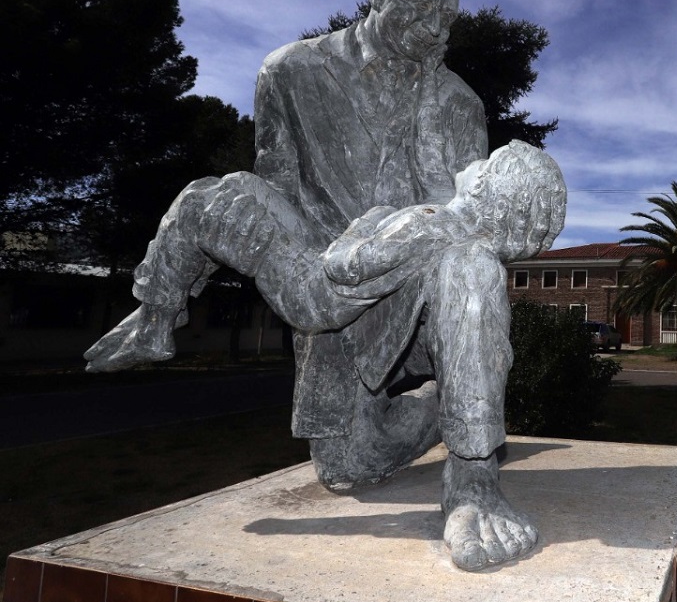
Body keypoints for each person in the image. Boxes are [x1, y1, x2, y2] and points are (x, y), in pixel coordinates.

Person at [86, 0, 554, 571]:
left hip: (429, 283)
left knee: (468, 261)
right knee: (349, 469)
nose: (435, 25)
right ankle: (444, 405)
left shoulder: (462, 105)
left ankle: (473, 483)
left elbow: (473, 217)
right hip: (328, 281)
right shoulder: (291, 73)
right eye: (420, 5)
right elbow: (267, 199)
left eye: (449, 16)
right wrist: (163, 300)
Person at [87, 141, 565, 569]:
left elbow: (350, 264)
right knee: (348, 468)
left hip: (319, 293)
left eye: (488, 164)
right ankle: (155, 319)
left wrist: (373, 254)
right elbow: (344, 262)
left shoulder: (451, 240)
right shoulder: (422, 221)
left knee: (472, 270)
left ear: (491, 189)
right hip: (314, 294)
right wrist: (368, 248)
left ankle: (472, 477)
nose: (475, 162)